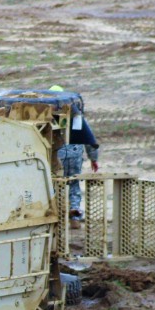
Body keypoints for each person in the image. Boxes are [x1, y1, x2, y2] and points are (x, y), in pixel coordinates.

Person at [50, 85, 100, 227]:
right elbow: (88, 138)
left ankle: (56, 217)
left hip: (57, 153)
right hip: (75, 153)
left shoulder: (48, 115)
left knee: (54, 183)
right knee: (74, 183)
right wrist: (93, 159)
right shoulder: (76, 114)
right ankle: (75, 215)